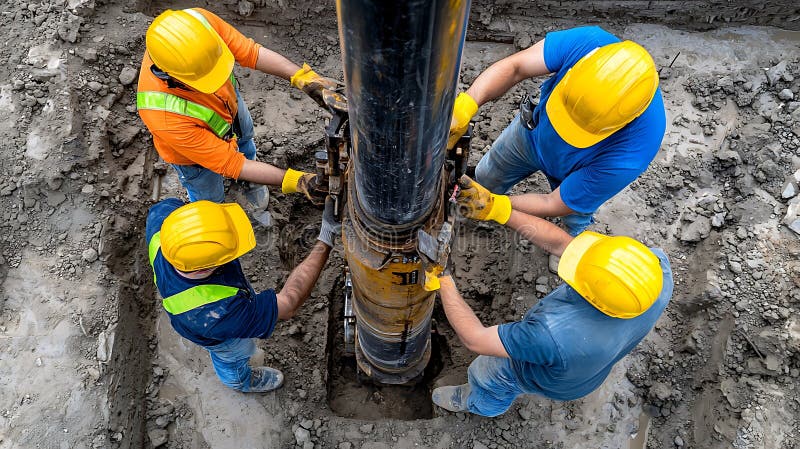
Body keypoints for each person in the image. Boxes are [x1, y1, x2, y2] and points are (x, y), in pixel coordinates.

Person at [430, 176, 673, 417]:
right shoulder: (655, 272)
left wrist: (443, 276)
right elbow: (561, 244)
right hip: (594, 361)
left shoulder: (553, 335)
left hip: (560, 379)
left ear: (594, 300)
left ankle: (481, 401)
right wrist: (498, 208)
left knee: (490, 371)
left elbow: (476, 339)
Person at [447, 26, 666, 271]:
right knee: (488, 175)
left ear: (623, 124)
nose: (567, 135)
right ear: (577, 69)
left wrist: (496, 205)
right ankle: (472, 198)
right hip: (531, 136)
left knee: (573, 215)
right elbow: (515, 67)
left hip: (579, 171)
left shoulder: (635, 148)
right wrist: (467, 104)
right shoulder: (587, 45)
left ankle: (567, 241)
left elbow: (552, 203)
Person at [137, 8, 340, 214]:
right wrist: (297, 180)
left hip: (229, 106)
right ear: (167, 76)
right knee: (208, 194)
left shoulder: (199, 26)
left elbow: (251, 53)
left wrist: (302, 78)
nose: (216, 83)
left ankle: (251, 182)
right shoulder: (163, 116)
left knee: (246, 142)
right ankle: (215, 212)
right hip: (192, 160)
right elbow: (231, 163)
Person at [145, 196, 339, 392]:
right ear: (205, 268)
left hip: (197, 306)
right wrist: (326, 238)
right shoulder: (222, 313)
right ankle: (240, 381)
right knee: (235, 354)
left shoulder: (164, 217)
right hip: (214, 332)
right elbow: (289, 303)